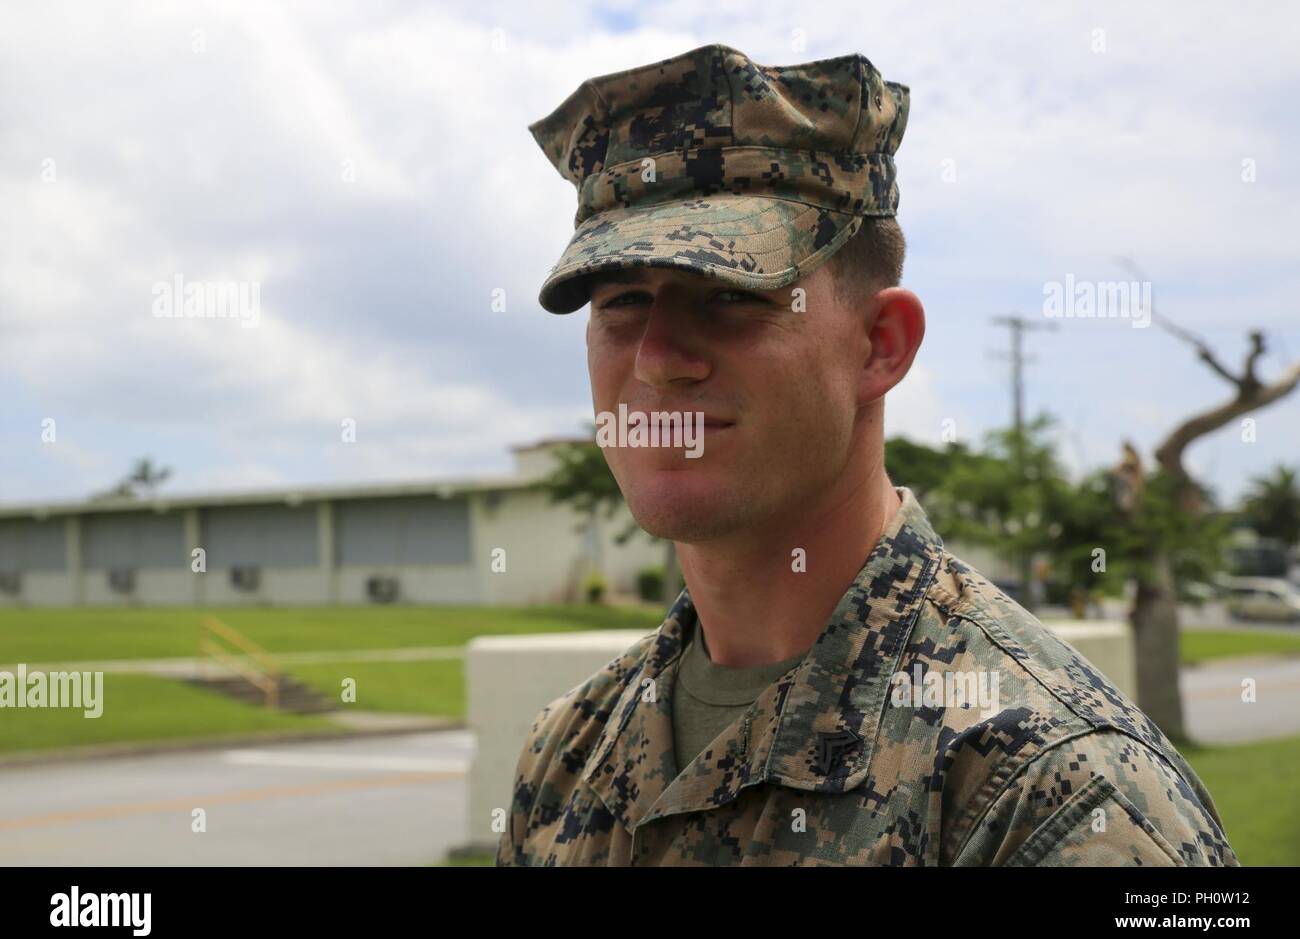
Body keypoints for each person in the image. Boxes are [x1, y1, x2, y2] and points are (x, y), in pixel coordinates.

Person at [497, 42, 1238, 866]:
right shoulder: (566, 756)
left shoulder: (1058, 788)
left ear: (881, 346)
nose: (657, 359)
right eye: (624, 302)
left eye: (731, 298)